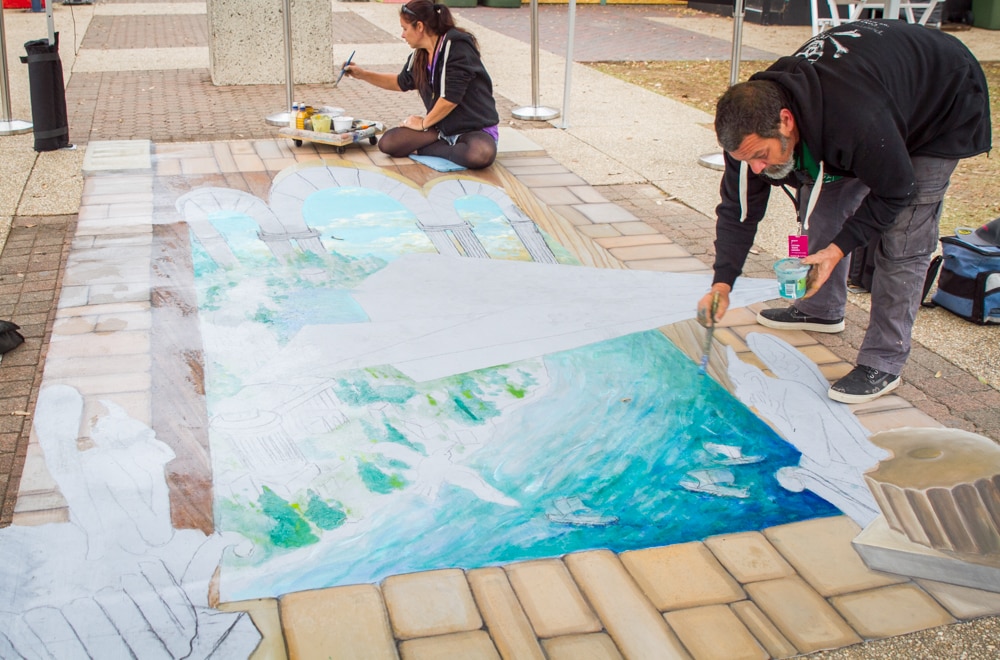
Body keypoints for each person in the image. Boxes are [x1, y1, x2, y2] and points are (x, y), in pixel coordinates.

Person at [697, 19, 991, 405]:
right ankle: (821, 309)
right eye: (744, 160)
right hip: (875, 100)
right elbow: (738, 209)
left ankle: (883, 361)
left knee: (903, 240)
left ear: (786, 121)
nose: (755, 168)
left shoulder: (854, 120)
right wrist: (722, 282)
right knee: (821, 205)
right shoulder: (748, 128)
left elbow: (895, 190)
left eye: (760, 156)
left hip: (941, 101)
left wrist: (837, 250)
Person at [342, 0, 500, 170]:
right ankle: (449, 150)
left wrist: (424, 123)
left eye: (405, 28)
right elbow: (400, 82)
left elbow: (450, 98)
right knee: (389, 143)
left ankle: (431, 149)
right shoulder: (421, 55)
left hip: (474, 129)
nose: (402, 35)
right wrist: (362, 74)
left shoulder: (456, 46)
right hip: (441, 129)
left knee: (480, 154)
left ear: (419, 26)